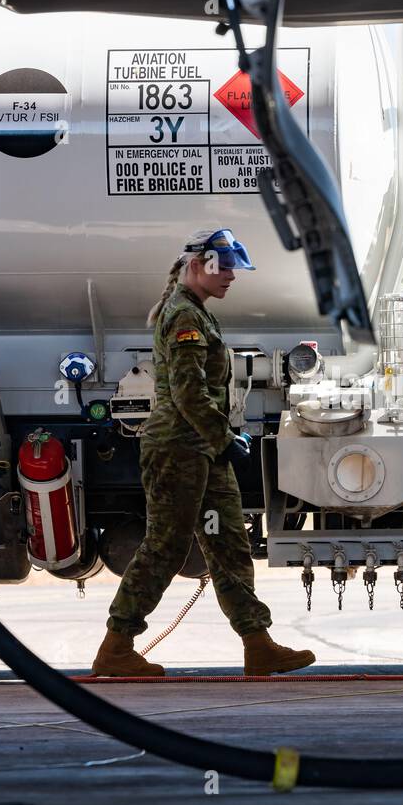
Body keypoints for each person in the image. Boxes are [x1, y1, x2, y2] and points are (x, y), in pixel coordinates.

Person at [91, 228, 316, 677]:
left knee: (229, 545)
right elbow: (188, 392)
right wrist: (223, 438)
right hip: (179, 449)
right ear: (199, 265)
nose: (232, 276)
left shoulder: (195, 312)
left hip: (202, 450)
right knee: (165, 548)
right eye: (225, 266)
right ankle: (116, 645)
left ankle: (257, 643)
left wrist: (219, 441)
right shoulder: (185, 318)